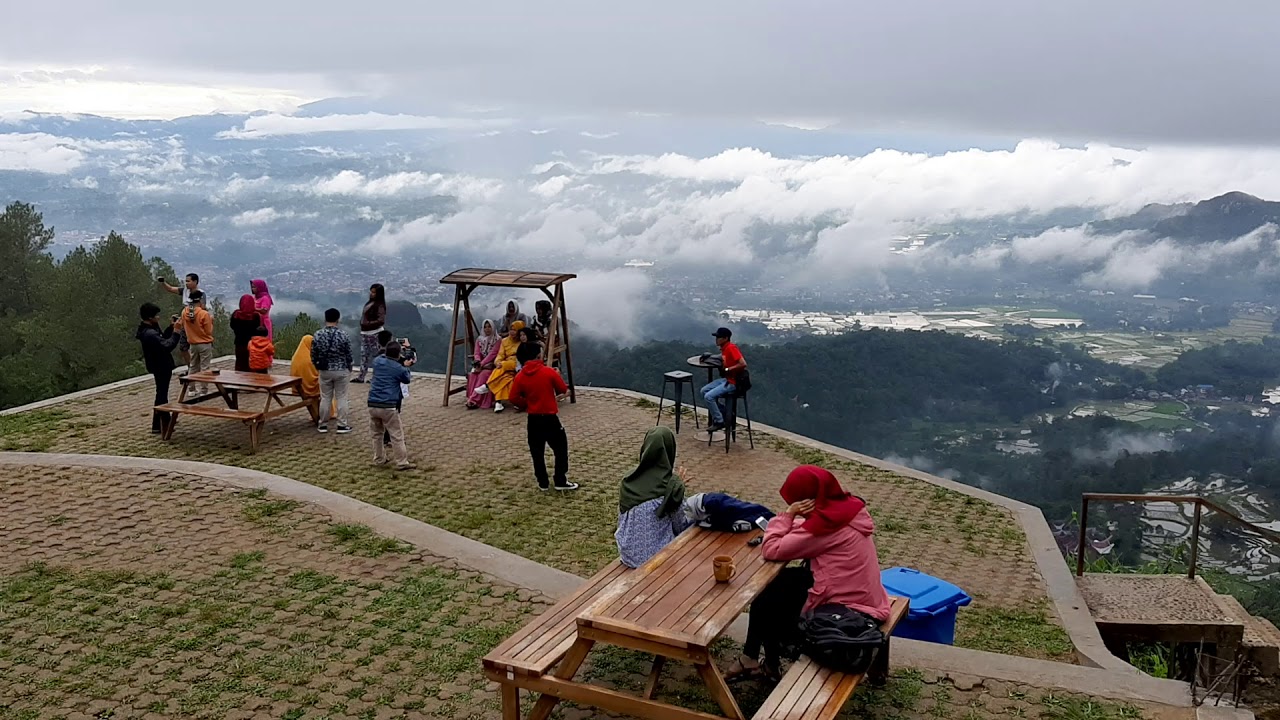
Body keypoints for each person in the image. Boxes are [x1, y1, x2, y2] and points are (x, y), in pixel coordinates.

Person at [726, 465, 892, 682]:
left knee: (768, 599)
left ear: (807, 501)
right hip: (863, 594)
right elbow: (807, 529)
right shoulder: (846, 510)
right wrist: (793, 522)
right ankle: (759, 661)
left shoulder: (824, 529)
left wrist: (787, 515)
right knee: (776, 586)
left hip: (848, 610)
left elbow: (772, 549)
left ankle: (763, 662)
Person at [616, 426, 691, 567]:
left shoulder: (628, 480)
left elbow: (622, 520)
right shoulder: (670, 485)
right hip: (657, 559)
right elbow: (681, 526)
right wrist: (678, 488)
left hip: (628, 556)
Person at [510, 342, 577, 491]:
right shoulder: (548, 372)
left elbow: (513, 397)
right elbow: (562, 389)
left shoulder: (520, 376)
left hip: (533, 419)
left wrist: (526, 403)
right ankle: (560, 480)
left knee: (537, 451)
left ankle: (543, 482)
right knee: (560, 448)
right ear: (537, 355)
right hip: (550, 418)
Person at [368, 341, 415, 470]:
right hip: (388, 405)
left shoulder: (377, 362)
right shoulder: (399, 369)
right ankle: (402, 462)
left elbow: (384, 358)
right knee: (396, 434)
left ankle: (379, 459)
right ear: (398, 354)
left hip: (372, 403)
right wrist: (406, 365)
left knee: (377, 434)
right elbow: (406, 379)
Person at [136, 302, 181, 434]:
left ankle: (162, 421)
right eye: (156, 316)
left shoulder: (149, 329)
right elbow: (167, 345)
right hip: (160, 365)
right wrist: (177, 332)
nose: (158, 318)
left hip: (158, 365)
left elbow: (163, 338)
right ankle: (160, 423)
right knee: (161, 394)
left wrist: (171, 328)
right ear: (150, 317)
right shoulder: (150, 334)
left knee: (161, 393)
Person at [311, 308, 353, 434]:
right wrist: (349, 366)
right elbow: (349, 354)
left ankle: (322, 425)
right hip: (341, 369)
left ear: (325, 318)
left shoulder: (318, 334)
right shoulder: (343, 335)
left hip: (325, 370)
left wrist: (317, 366)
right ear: (338, 319)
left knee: (325, 398)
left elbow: (313, 354)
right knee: (342, 397)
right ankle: (342, 425)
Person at [702, 327, 747, 435]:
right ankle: (726, 413)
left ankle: (719, 421)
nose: (716, 339)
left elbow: (743, 363)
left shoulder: (731, 347)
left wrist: (728, 369)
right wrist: (709, 357)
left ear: (725, 338)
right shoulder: (724, 349)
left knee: (709, 397)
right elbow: (722, 358)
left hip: (733, 382)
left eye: (718, 337)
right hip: (726, 379)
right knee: (703, 391)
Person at [474, 320, 522, 413]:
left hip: (516, 363)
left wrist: (502, 363)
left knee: (501, 367)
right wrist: (498, 362)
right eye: (511, 329)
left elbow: (521, 358)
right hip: (505, 364)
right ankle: (498, 403)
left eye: (515, 330)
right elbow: (500, 354)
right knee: (503, 377)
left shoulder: (521, 342)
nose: (512, 332)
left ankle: (487, 386)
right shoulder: (505, 341)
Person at [157, 273, 199, 368]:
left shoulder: (200, 294)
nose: (186, 283)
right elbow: (170, 289)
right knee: (183, 347)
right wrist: (163, 282)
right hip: (185, 322)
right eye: (186, 281)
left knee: (196, 347)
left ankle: (197, 368)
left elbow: (200, 308)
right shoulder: (184, 291)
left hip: (195, 323)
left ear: (195, 282)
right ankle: (191, 368)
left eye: (188, 281)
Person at [181, 290, 215, 395]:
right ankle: (204, 390)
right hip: (204, 344)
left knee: (193, 366)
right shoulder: (203, 314)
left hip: (192, 343)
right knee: (205, 367)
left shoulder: (185, 312)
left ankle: (191, 389)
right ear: (200, 300)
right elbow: (208, 331)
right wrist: (212, 321)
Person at [355, 283, 387, 383]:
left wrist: (368, 324)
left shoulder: (380, 305)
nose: (371, 294)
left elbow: (381, 320)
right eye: (371, 291)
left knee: (376, 356)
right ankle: (361, 376)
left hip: (374, 333)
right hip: (365, 333)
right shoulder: (370, 303)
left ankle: (376, 377)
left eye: (374, 292)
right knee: (364, 355)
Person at [466, 319, 500, 410]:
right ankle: (472, 399)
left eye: (489, 327)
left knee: (483, 375)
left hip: (492, 365)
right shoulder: (479, 339)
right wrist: (477, 363)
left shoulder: (497, 340)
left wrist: (482, 364)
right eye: (485, 327)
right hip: (480, 365)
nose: (487, 329)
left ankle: (474, 400)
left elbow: (493, 354)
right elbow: (477, 353)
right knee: (473, 375)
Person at [229, 294, 262, 372]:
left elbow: (232, 325)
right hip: (253, 344)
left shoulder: (236, 314)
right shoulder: (255, 316)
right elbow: (258, 330)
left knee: (240, 364)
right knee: (251, 365)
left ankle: (240, 382)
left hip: (239, 343)